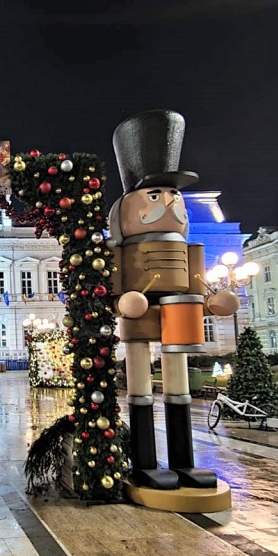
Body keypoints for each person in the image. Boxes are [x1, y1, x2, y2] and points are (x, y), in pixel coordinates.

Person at [108, 110, 238, 489]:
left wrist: (216, 300)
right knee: (140, 385)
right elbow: (114, 279)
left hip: (181, 311)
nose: (168, 200)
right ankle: (146, 461)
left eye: (173, 194)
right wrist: (121, 302)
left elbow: (201, 281)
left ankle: (184, 461)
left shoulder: (187, 247)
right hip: (139, 315)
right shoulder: (123, 249)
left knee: (177, 385)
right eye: (156, 193)